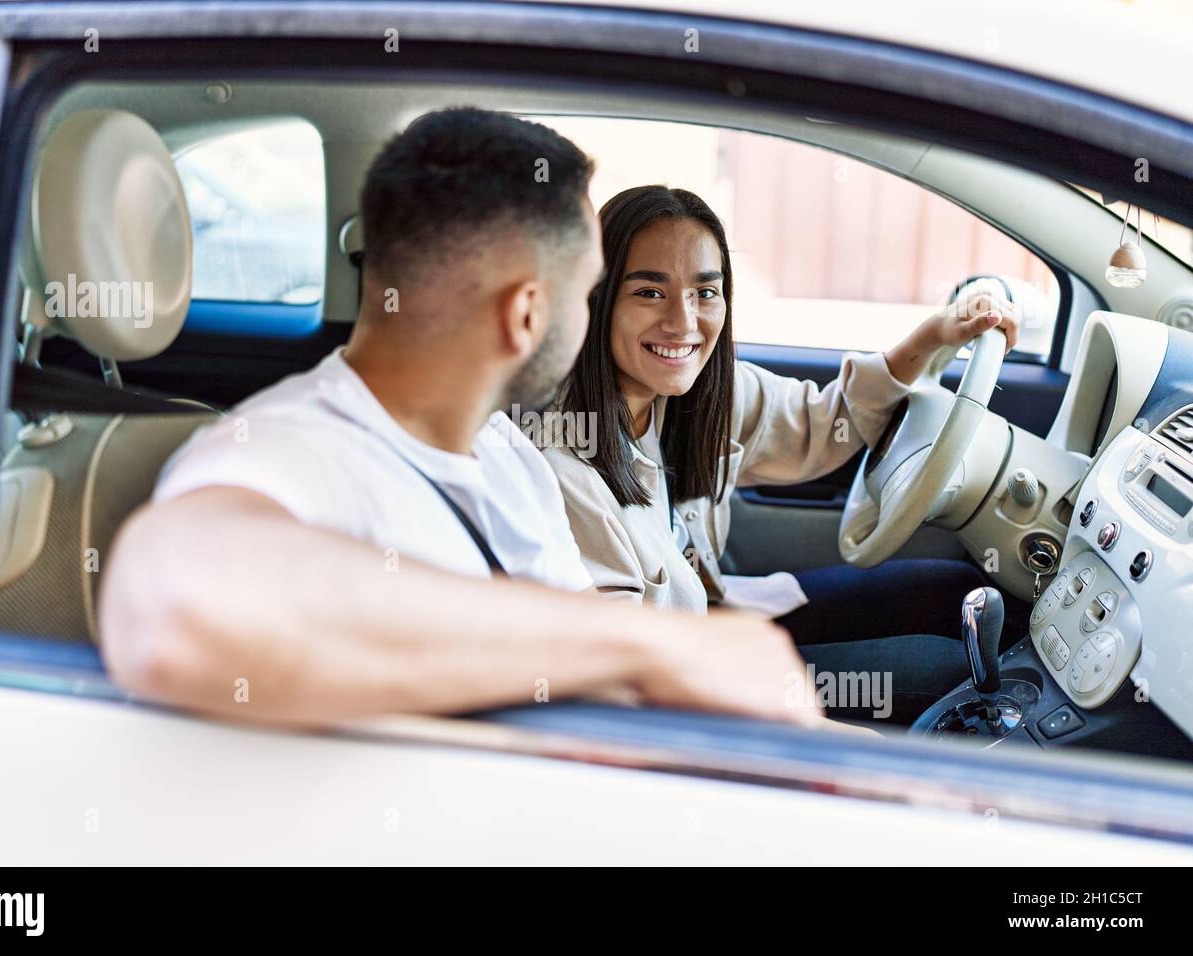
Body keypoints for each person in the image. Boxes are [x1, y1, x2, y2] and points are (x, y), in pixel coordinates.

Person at [99, 109, 829, 730]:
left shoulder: (504, 451)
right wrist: (659, 646)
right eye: (587, 295)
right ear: (526, 315)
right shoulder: (292, 449)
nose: (591, 320)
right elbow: (171, 605)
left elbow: (580, 662)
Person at [542, 185, 1020, 723]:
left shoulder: (700, 394)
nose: (683, 322)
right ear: (597, 298)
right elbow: (622, 672)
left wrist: (938, 334)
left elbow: (824, 423)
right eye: (650, 293)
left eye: (706, 292)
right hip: (688, 680)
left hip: (722, 615)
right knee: (948, 671)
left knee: (955, 589)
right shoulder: (565, 457)